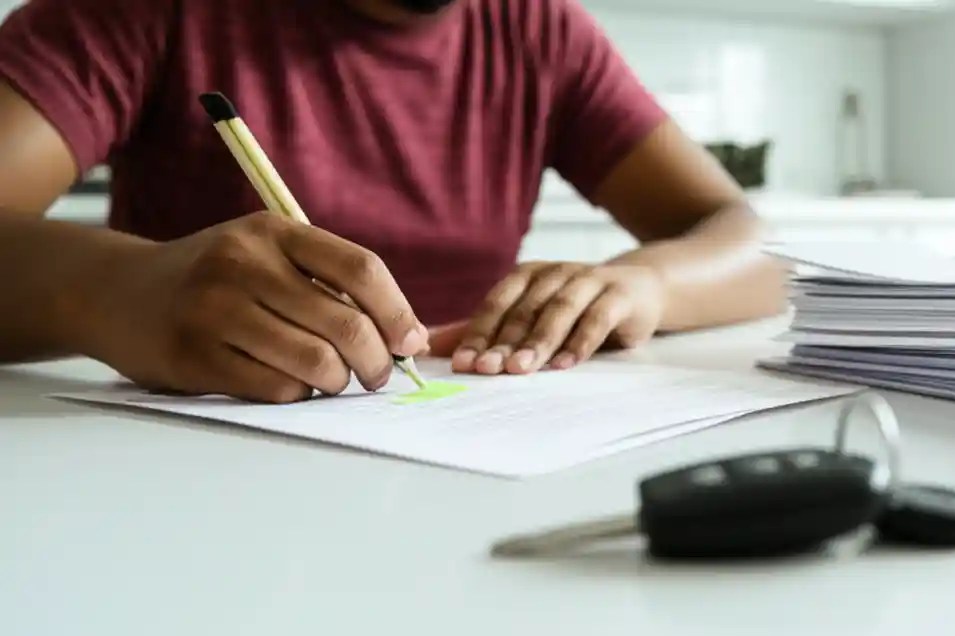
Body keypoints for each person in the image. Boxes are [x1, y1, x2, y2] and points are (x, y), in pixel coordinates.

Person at [0, 0, 786, 403]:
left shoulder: (536, 28)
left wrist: (647, 283)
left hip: (464, 462)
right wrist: (116, 291)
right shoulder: (150, 11)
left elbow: (748, 239)